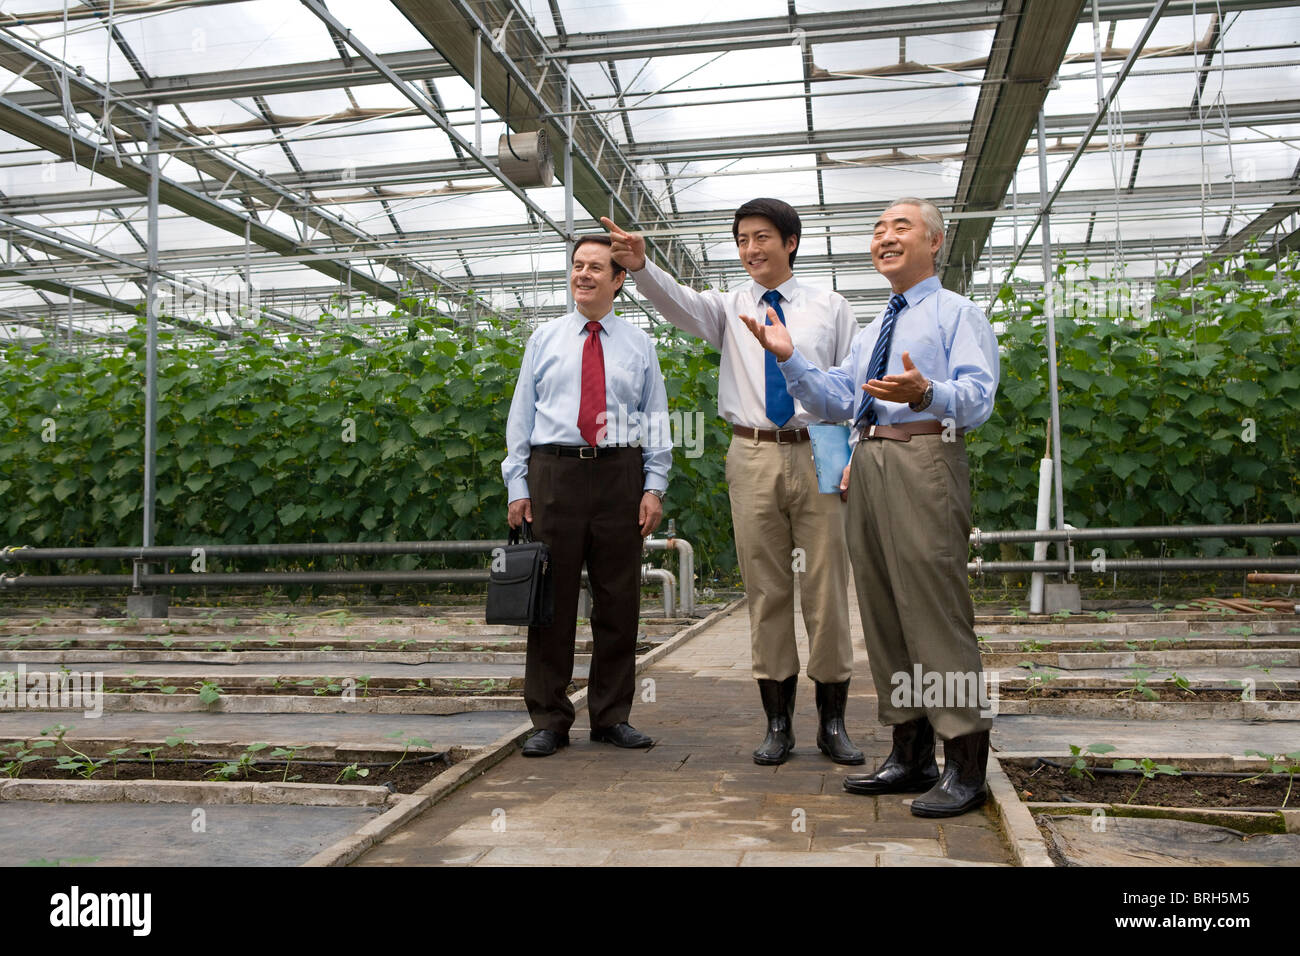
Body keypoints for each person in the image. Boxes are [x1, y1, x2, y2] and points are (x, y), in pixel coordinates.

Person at [740, 197, 999, 817]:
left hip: (924, 458)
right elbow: (834, 400)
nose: (885, 235)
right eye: (878, 228)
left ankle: (966, 762)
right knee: (883, 611)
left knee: (934, 610)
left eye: (900, 226)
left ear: (935, 242)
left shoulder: (956, 313)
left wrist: (928, 391)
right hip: (869, 461)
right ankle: (910, 752)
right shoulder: (878, 323)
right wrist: (789, 357)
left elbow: (980, 394)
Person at [603, 200, 863, 767]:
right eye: (743, 239)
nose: (751, 249)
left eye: (763, 237)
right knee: (766, 589)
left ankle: (833, 724)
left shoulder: (830, 306)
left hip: (821, 444)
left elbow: (855, 385)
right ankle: (777, 724)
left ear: (790, 241)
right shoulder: (729, 307)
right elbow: (677, 304)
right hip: (752, 450)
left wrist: (855, 451)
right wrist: (644, 267)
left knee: (826, 590)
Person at [502, 235, 672, 757]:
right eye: (578, 266)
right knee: (550, 603)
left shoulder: (639, 343)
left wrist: (653, 485)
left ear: (619, 280)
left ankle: (612, 716)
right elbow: (521, 416)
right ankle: (549, 720)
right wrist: (517, 483)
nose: (584, 275)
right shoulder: (545, 338)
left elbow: (656, 417)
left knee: (619, 601)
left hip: (619, 474)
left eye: (596, 267)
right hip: (554, 473)